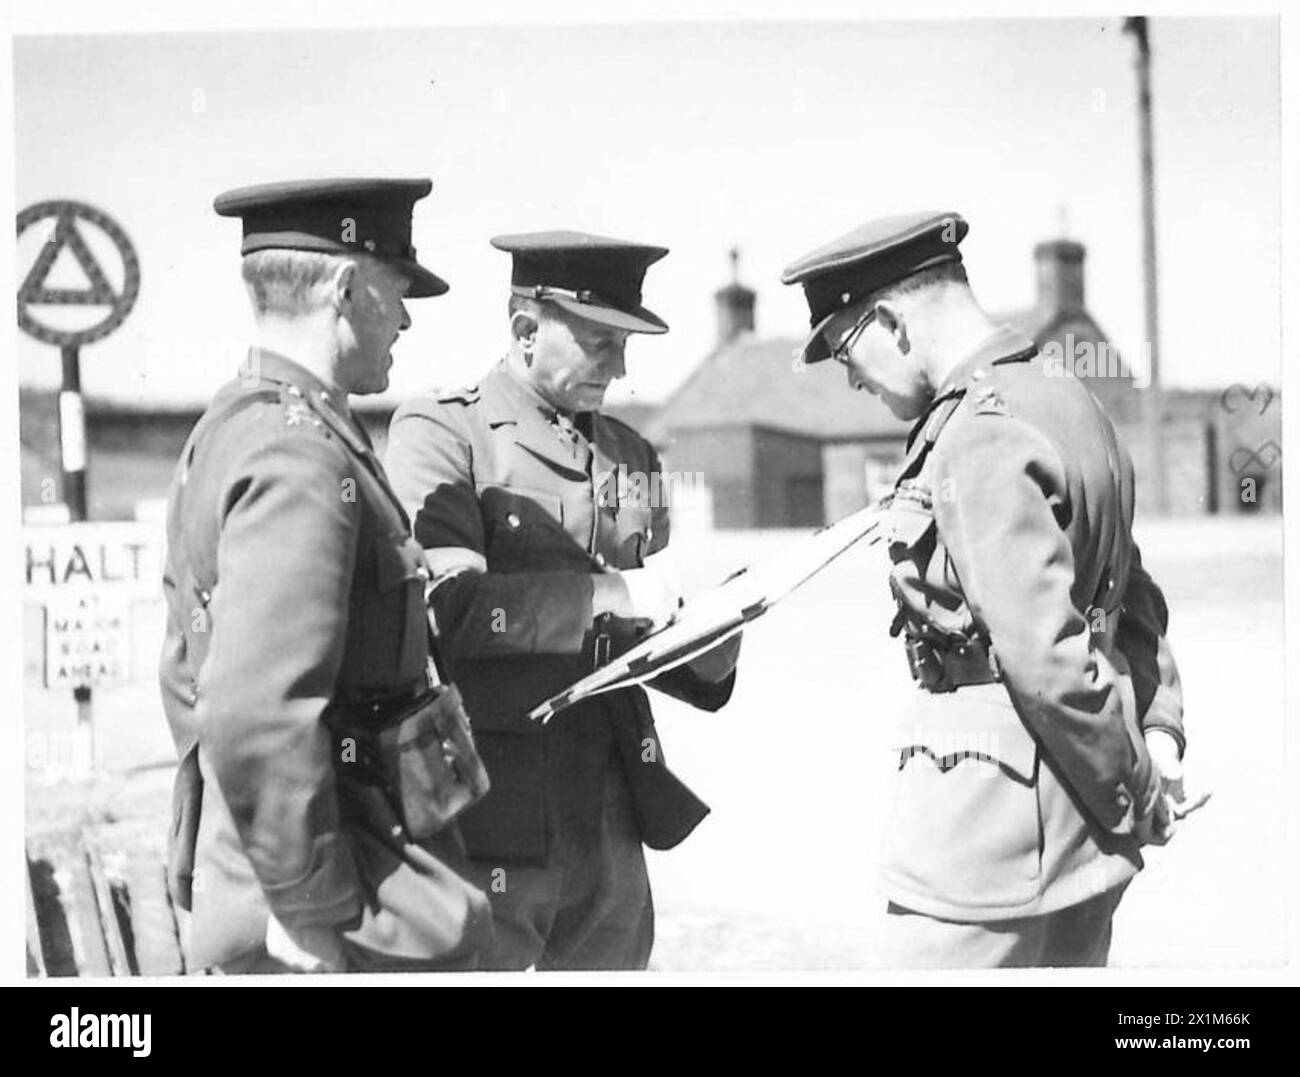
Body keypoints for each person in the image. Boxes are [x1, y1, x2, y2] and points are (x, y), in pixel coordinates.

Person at [781, 211, 1203, 967]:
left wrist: (1140, 790)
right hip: (1082, 839)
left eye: (846, 350)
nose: (851, 378)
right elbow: (1131, 594)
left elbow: (1047, 656)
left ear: (890, 322)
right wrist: (1159, 732)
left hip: (987, 845)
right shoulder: (1067, 396)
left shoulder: (979, 429)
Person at [159, 178, 492, 973]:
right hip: (339, 909)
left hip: (276, 874)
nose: (406, 318)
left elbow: (185, 676)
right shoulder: (299, 453)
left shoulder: (237, 423)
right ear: (345, 289)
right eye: (396, 291)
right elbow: (256, 711)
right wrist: (307, 905)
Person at [386, 230, 741, 970]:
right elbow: (453, 613)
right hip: (490, 812)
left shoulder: (634, 457)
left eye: (626, 343)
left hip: (611, 815)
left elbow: (650, 639)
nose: (620, 366)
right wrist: (618, 592)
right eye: (599, 342)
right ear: (524, 330)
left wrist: (713, 633)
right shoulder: (443, 430)